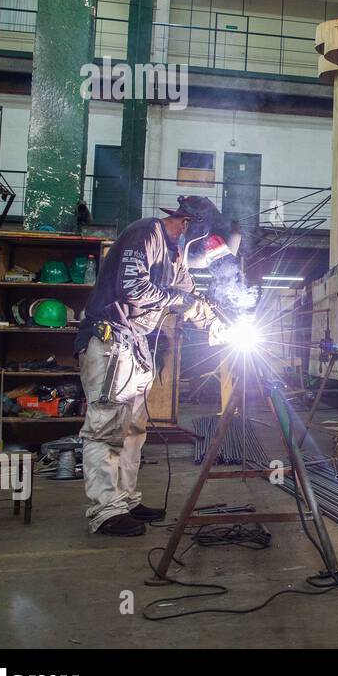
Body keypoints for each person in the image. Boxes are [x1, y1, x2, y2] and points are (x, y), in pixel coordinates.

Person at [75, 199, 229, 536]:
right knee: (107, 427)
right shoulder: (145, 233)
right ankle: (106, 511)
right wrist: (184, 301)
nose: (207, 253)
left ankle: (126, 500)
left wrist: (218, 323)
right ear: (190, 225)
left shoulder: (177, 257)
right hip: (110, 340)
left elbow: (190, 298)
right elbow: (135, 289)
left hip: (136, 346)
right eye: (209, 244)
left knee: (133, 429)